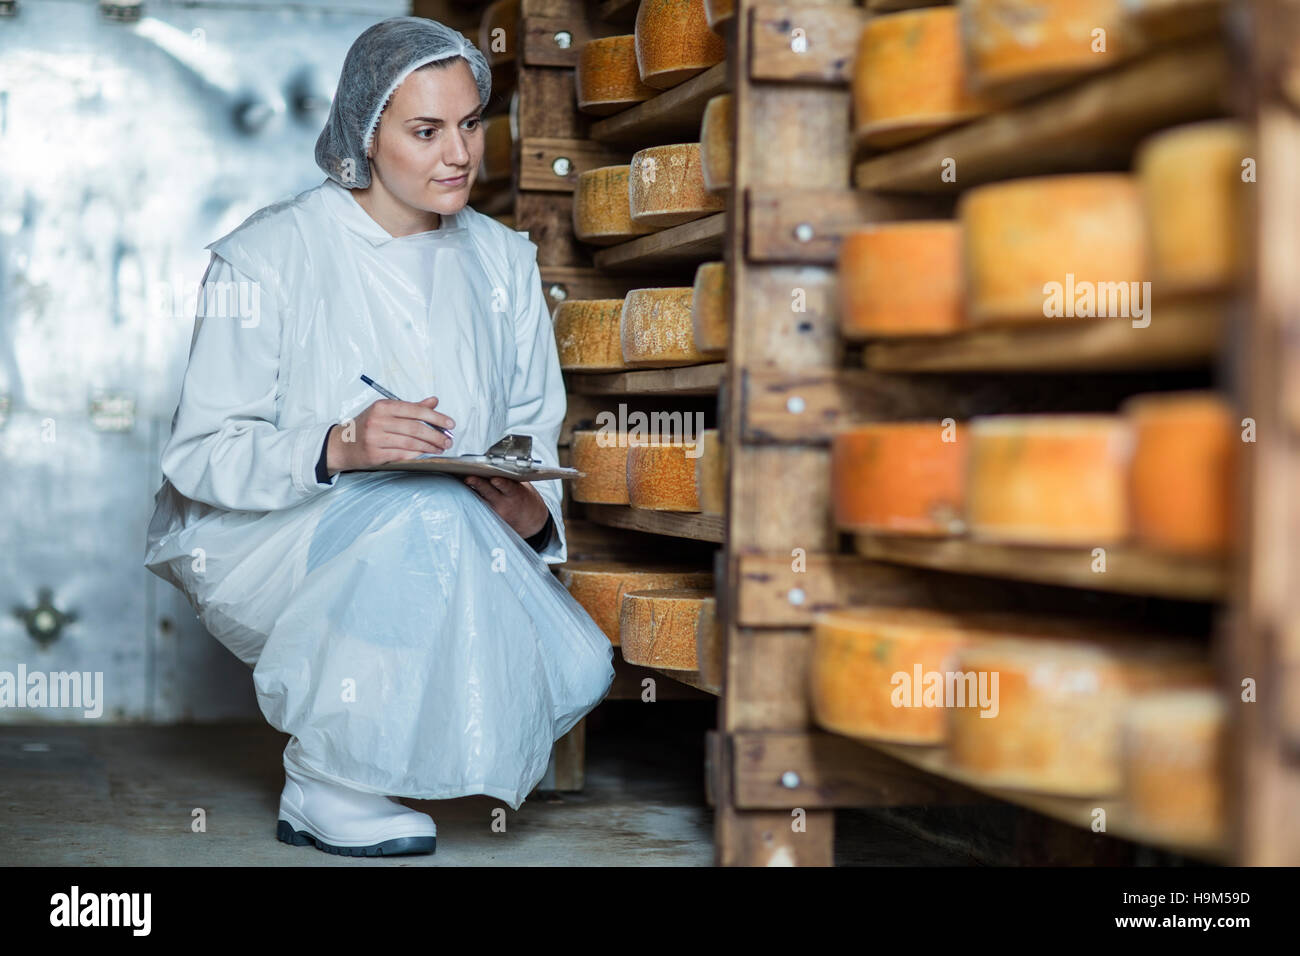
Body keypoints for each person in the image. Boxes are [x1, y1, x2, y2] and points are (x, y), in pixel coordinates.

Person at [143, 16, 615, 857]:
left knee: (564, 650)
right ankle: (330, 780)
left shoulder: (504, 261)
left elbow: (532, 426)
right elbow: (199, 452)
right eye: (426, 131)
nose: (459, 155)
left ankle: (380, 759)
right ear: (366, 132)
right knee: (418, 515)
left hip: (459, 532)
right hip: (280, 536)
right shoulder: (265, 255)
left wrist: (530, 513)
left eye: (470, 123)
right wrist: (337, 446)